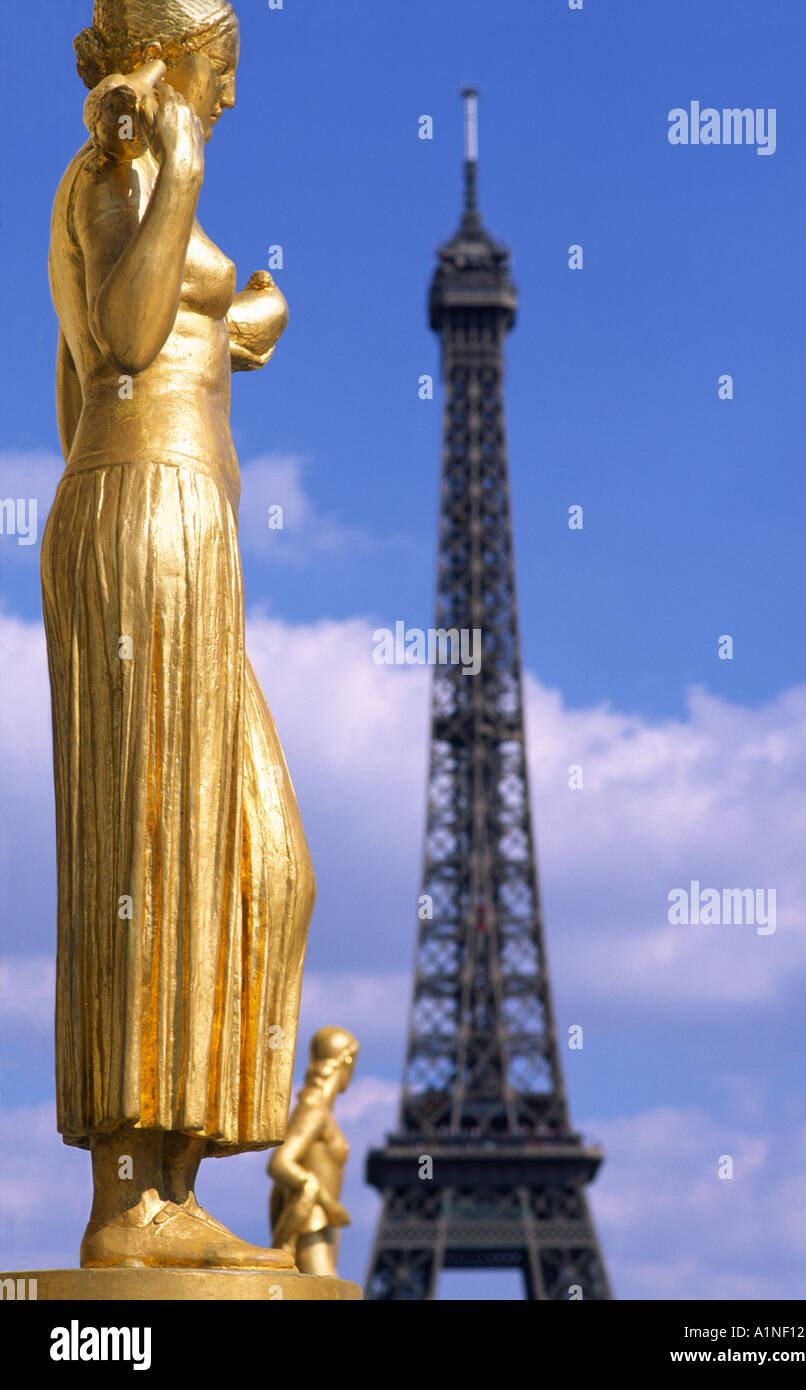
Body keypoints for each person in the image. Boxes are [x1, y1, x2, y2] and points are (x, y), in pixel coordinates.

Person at [41, 0, 315, 1269]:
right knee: (148, 843)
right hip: (147, 522)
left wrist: (229, 330)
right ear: (176, 60)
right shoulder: (113, 174)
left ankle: (177, 1178)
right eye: (224, 68)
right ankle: (128, 1200)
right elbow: (126, 339)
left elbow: (118, 364)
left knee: (259, 860)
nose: (234, 95)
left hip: (180, 531)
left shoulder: (132, 187)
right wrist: (183, 167)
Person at [268, 1029, 359, 1276]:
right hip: (312, 1221)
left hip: (322, 1224)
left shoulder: (319, 1112)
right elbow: (280, 1163)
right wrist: (329, 1204)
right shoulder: (314, 1111)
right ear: (347, 1061)